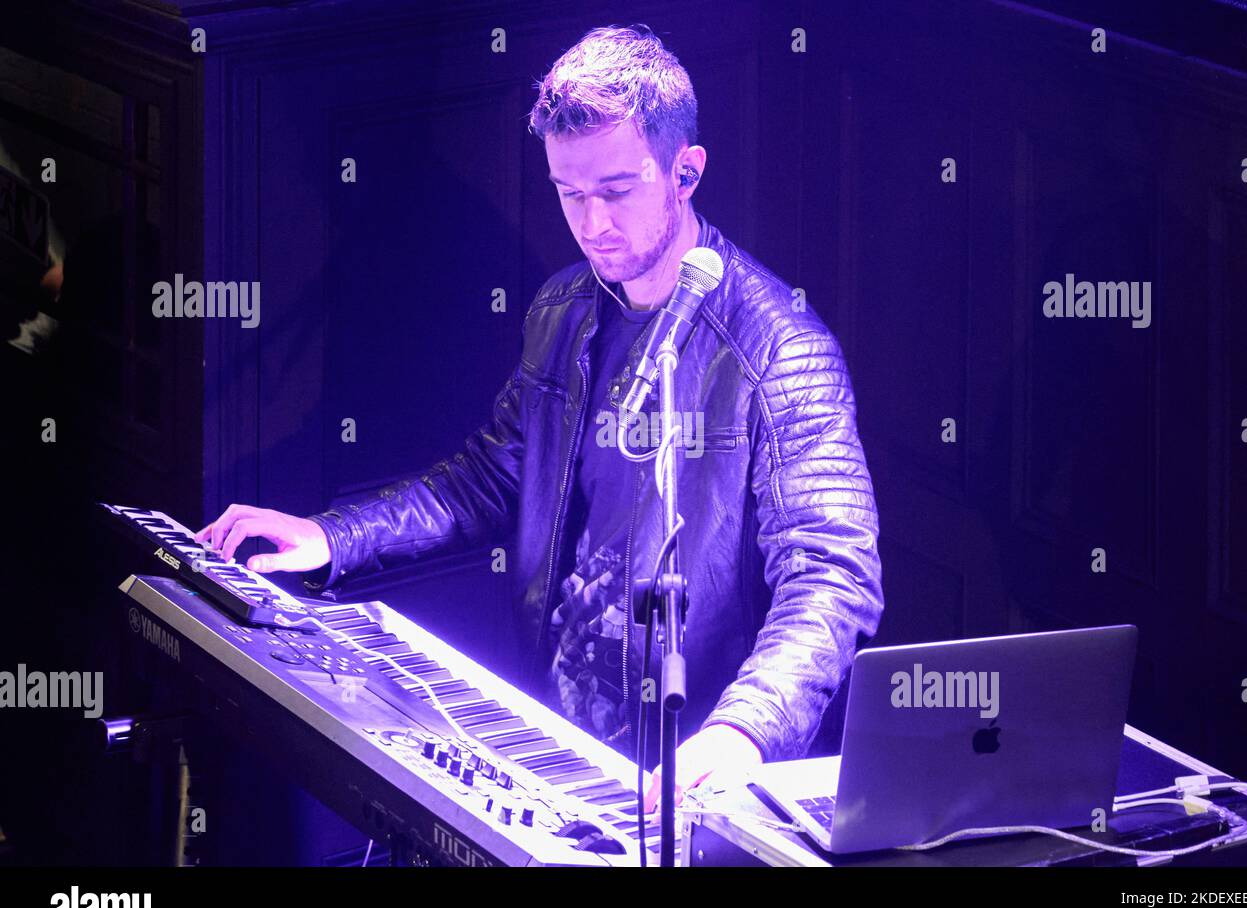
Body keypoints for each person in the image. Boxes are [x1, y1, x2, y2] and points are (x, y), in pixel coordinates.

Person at [197, 24, 883, 813]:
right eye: (569, 193)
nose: (592, 223)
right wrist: (334, 536)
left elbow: (831, 572)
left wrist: (745, 731)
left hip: (700, 769)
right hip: (563, 746)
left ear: (685, 170)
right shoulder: (564, 310)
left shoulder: (779, 349)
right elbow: (490, 482)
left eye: (617, 191)